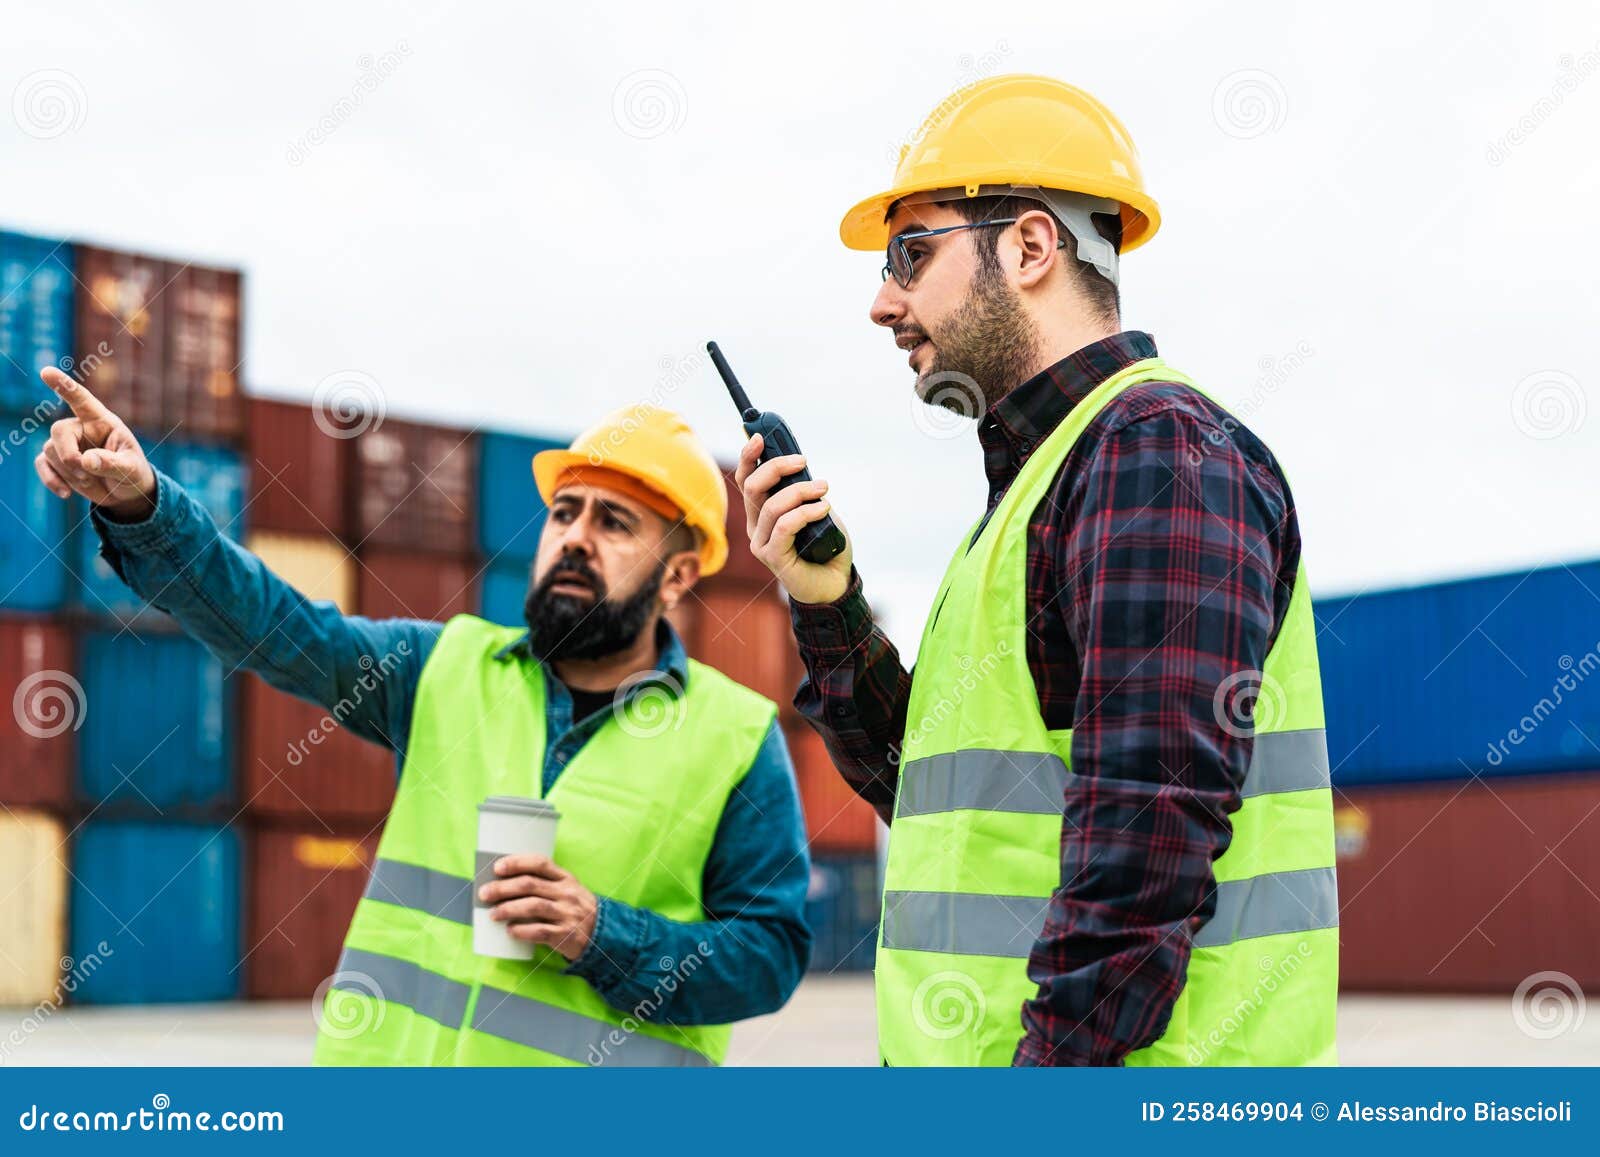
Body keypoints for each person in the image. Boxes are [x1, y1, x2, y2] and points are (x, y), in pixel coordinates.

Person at [736, 74, 1337, 1066]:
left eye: (911, 253)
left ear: (1027, 245)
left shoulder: (1155, 453)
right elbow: (933, 804)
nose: (882, 300)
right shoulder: (1031, 498)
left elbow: (1147, 841)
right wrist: (825, 599)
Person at [33, 368, 810, 1067]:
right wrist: (142, 505)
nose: (574, 537)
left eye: (614, 523)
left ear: (677, 575)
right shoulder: (444, 668)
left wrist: (599, 932)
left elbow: (769, 956)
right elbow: (271, 625)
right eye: (564, 512)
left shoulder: (735, 737)